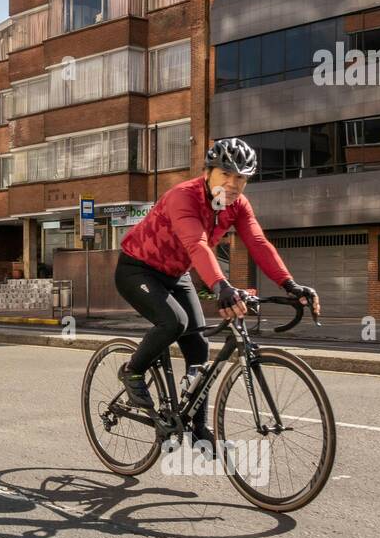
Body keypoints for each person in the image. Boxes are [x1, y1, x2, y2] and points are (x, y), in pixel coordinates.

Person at [114, 138, 320, 449]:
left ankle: (198, 429)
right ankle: (132, 371)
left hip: (175, 274)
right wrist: (220, 285)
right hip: (138, 269)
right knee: (174, 323)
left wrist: (289, 284)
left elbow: (259, 244)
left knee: (199, 347)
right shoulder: (183, 196)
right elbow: (196, 243)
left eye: (241, 178)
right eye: (226, 174)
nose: (234, 184)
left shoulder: (237, 206)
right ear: (208, 172)